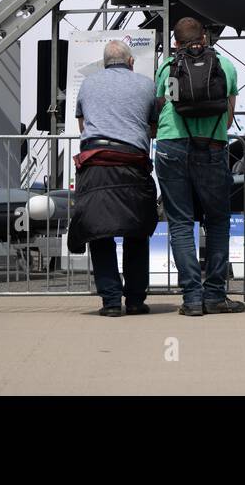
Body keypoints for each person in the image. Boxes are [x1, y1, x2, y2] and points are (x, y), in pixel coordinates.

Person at [153, 17, 243, 315]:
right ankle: (215, 294)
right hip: (212, 146)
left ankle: (192, 298)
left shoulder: (167, 67)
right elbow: (228, 119)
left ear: (175, 43)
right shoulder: (225, 66)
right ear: (204, 38)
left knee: (180, 223)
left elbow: (160, 109)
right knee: (217, 221)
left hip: (171, 147)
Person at [70, 39, 159, 317]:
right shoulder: (146, 85)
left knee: (99, 233)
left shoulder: (88, 84)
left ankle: (110, 301)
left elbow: (83, 126)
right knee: (137, 232)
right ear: (131, 62)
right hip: (132, 164)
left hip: (95, 165)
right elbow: (153, 128)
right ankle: (134, 299)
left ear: (104, 63)